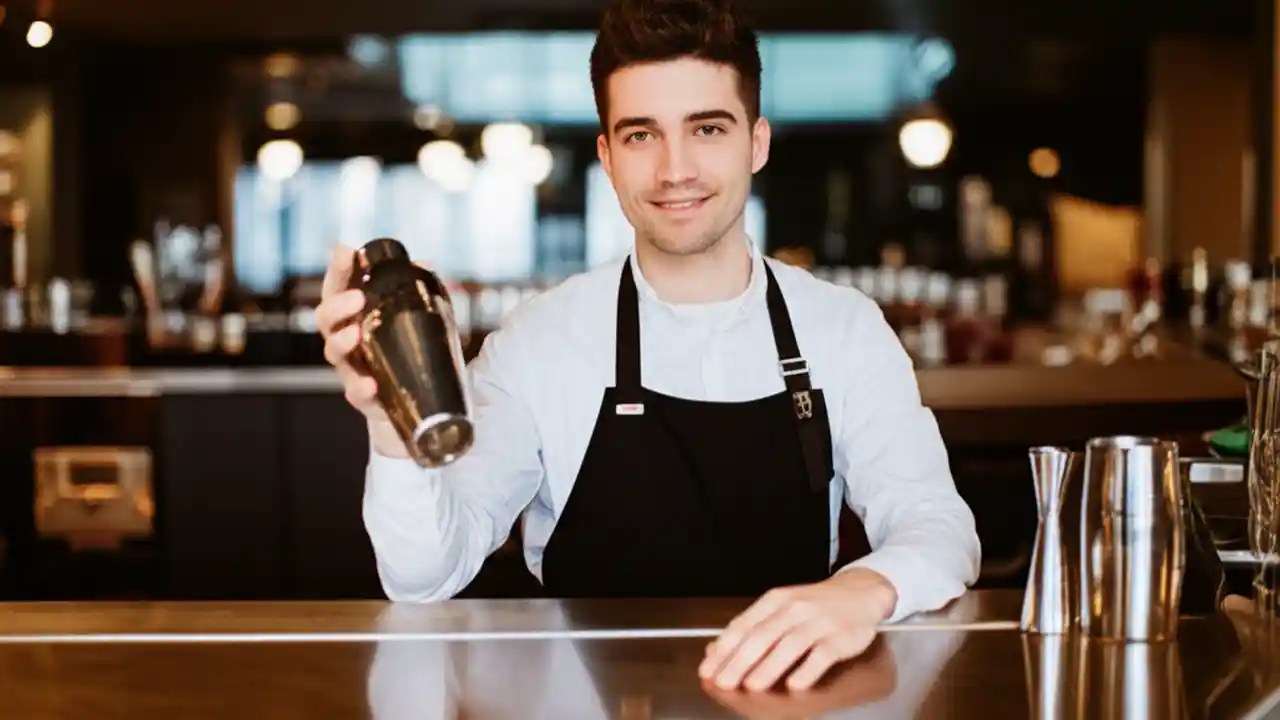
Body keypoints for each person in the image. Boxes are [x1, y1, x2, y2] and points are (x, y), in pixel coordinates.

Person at [316, 0, 980, 692]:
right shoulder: (538, 344)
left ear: (756, 144)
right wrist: (390, 423)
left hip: (789, 700)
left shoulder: (843, 330)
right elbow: (424, 577)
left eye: (707, 129)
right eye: (641, 135)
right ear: (607, 157)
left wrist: (862, 590)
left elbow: (938, 528)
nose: (674, 170)